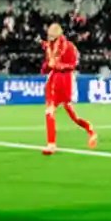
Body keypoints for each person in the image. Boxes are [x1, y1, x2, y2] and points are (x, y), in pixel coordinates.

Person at [41, 23, 97, 155]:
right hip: (53, 80)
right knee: (49, 111)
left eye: (52, 36)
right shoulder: (50, 47)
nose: (50, 39)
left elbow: (72, 65)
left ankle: (90, 129)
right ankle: (51, 144)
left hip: (64, 81)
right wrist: (47, 67)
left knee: (73, 115)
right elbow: (48, 64)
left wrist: (58, 66)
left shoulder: (69, 47)